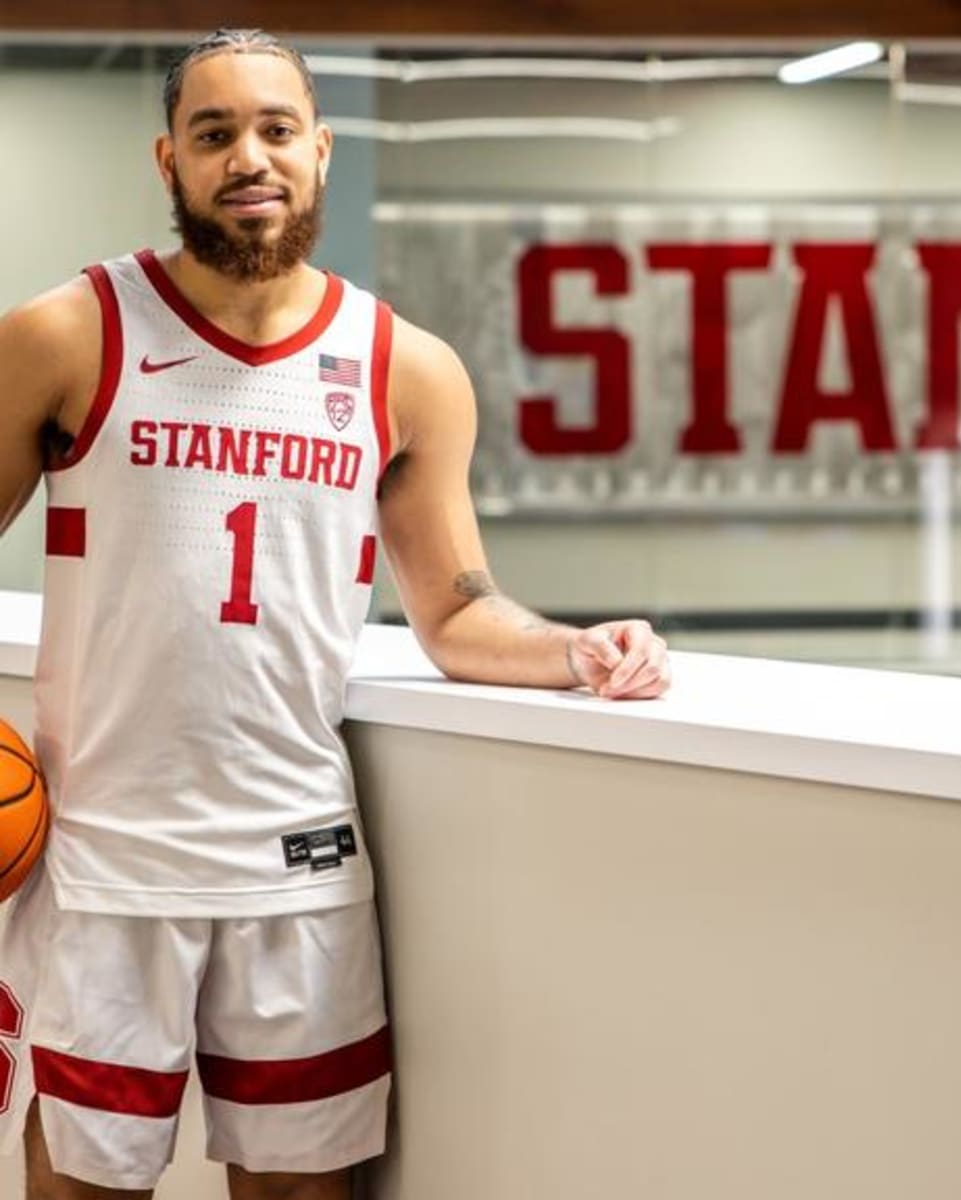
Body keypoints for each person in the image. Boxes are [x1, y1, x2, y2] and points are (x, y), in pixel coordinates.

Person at [0, 27, 670, 1200]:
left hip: (300, 862)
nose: (246, 158)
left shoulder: (406, 367)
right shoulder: (68, 334)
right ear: (170, 160)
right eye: (214, 134)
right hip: (108, 871)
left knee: (309, 1195)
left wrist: (579, 650)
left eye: (273, 130)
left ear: (321, 151)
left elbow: (457, 613)